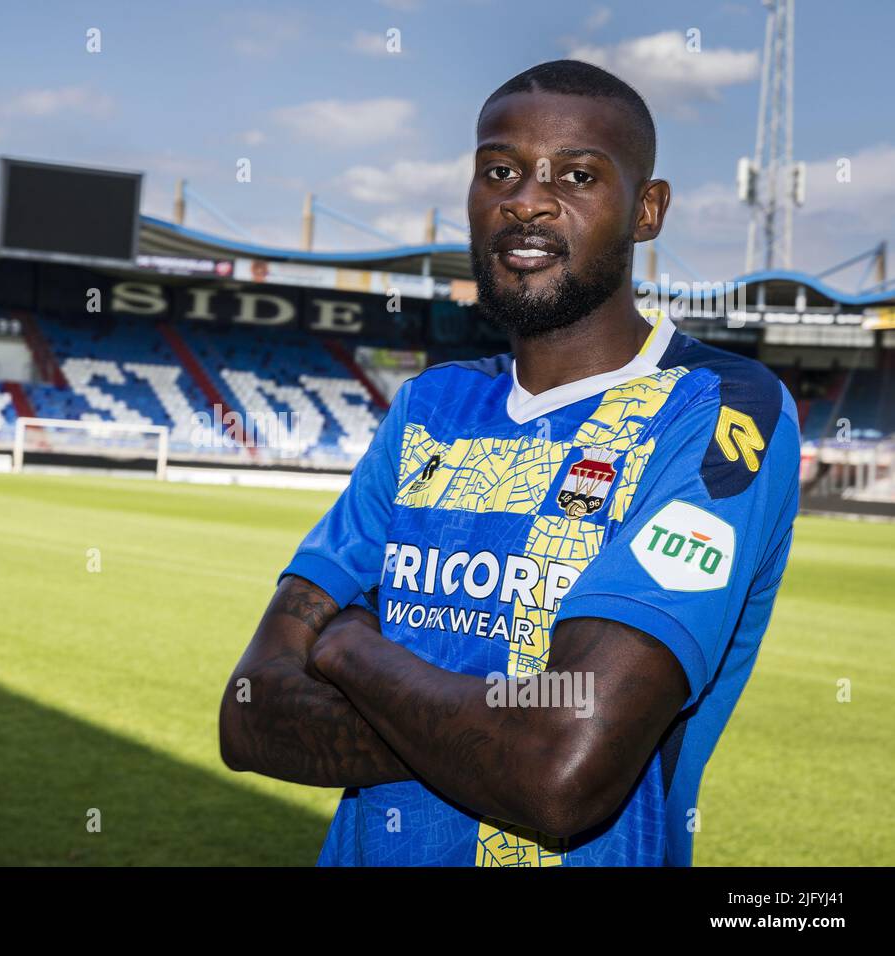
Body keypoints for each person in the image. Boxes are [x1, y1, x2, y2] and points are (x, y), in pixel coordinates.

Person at [218, 59, 800, 867]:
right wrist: (507, 730)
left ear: (647, 210)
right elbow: (248, 715)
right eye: (501, 170)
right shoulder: (430, 409)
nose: (526, 199)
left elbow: (561, 775)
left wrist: (351, 650)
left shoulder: (718, 406)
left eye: (578, 175)